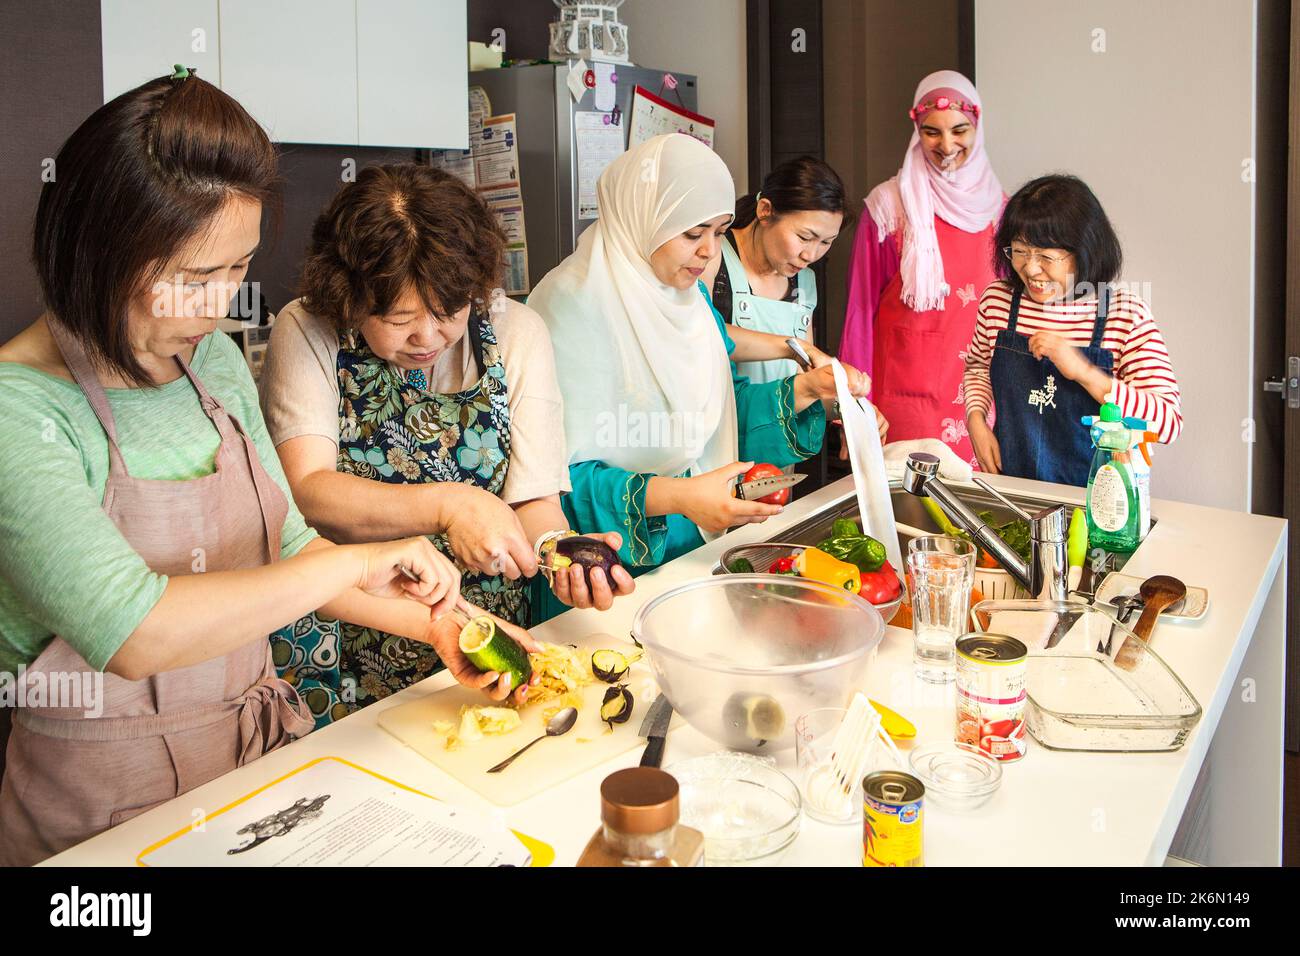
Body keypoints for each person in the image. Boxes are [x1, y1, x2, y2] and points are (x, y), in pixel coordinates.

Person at [0, 72, 530, 865]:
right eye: (190, 278)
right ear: (93, 250)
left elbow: (286, 542)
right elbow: (137, 631)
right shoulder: (20, 412)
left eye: (234, 270)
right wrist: (360, 557)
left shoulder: (207, 361)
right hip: (99, 826)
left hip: (252, 776)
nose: (216, 310)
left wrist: (447, 628)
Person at [260, 164, 632, 720]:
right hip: (347, 632)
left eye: (447, 313)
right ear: (350, 295)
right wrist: (452, 504)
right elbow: (308, 490)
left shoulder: (516, 332)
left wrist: (560, 554)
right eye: (398, 318)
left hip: (483, 630)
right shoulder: (308, 329)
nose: (426, 338)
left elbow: (531, 501)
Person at [528, 133, 868, 573]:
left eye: (720, 231)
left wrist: (804, 388)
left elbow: (723, 411)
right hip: (603, 561)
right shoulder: (570, 307)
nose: (709, 250)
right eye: (693, 233)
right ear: (642, 217)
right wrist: (680, 496)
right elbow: (549, 482)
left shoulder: (692, 303)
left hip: (694, 546)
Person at [963, 174, 1183, 485]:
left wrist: (1084, 372)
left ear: (1084, 251)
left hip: (1098, 507)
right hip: (1012, 493)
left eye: (1046, 256)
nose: (1030, 268)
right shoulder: (999, 301)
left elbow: (1168, 423)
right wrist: (976, 420)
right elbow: (978, 368)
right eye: (1020, 252)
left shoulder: (1123, 313)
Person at [838, 70, 1005, 466]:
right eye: (932, 132)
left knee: (977, 517)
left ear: (977, 127)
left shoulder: (1002, 209)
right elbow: (860, 312)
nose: (946, 145)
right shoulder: (888, 207)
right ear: (916, 129)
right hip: (903, 404)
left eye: (959, 130)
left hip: (981, 403)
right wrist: (852, 408)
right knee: (905, 516)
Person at [701, 156, 853, 384]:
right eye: (804, 237)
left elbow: (803, 379)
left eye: (825, 242)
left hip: (777, 417)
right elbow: (701, 332)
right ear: (765, 210)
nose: (810, 256)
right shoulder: (712, 255)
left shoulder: (805, 283)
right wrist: (793, 346)